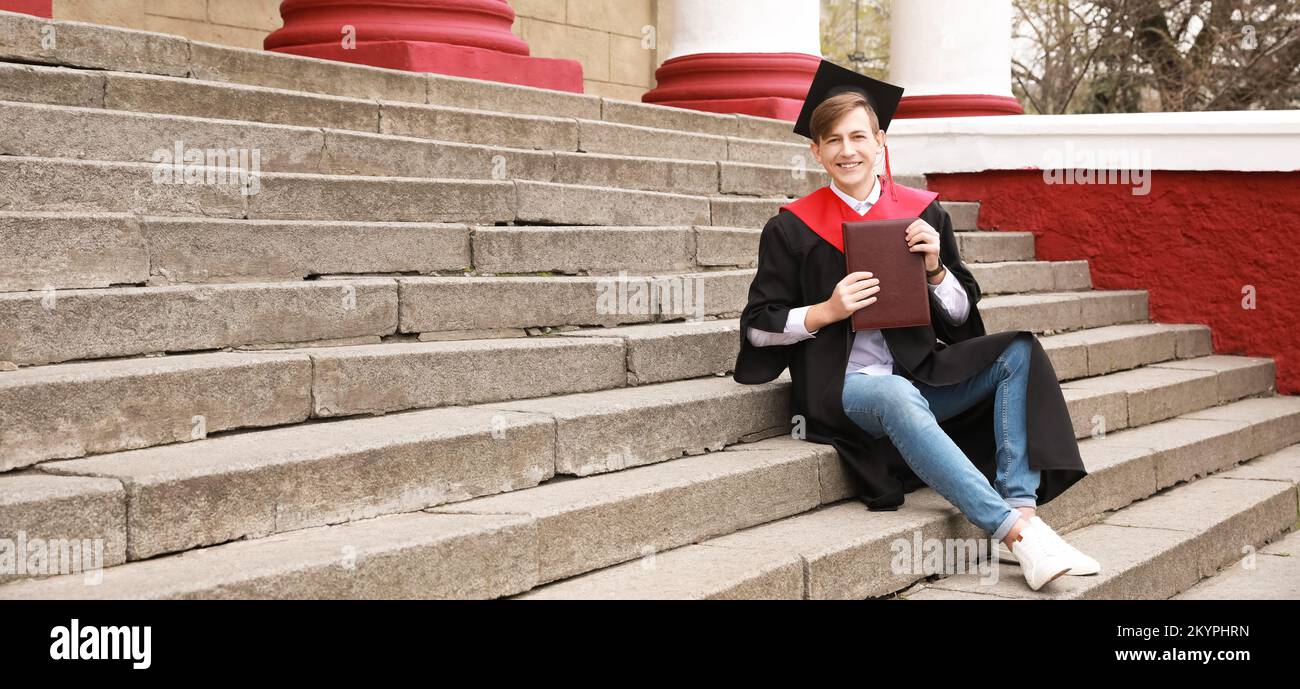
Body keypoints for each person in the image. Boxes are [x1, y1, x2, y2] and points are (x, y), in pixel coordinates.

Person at [734, 59, 1099, 591]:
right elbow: (757, 329)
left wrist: (935, 271)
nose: (847, 150)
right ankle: (1015, 535)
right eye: (832, 140)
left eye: (859, 135)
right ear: (816, 152)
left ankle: (1025, 507)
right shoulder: (790, 227)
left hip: (921, 371)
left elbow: (961, 319)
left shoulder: (923, 214)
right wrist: (825, 311)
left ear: (880, 141)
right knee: (895, 395)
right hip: (846, 389)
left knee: (1016, 351)